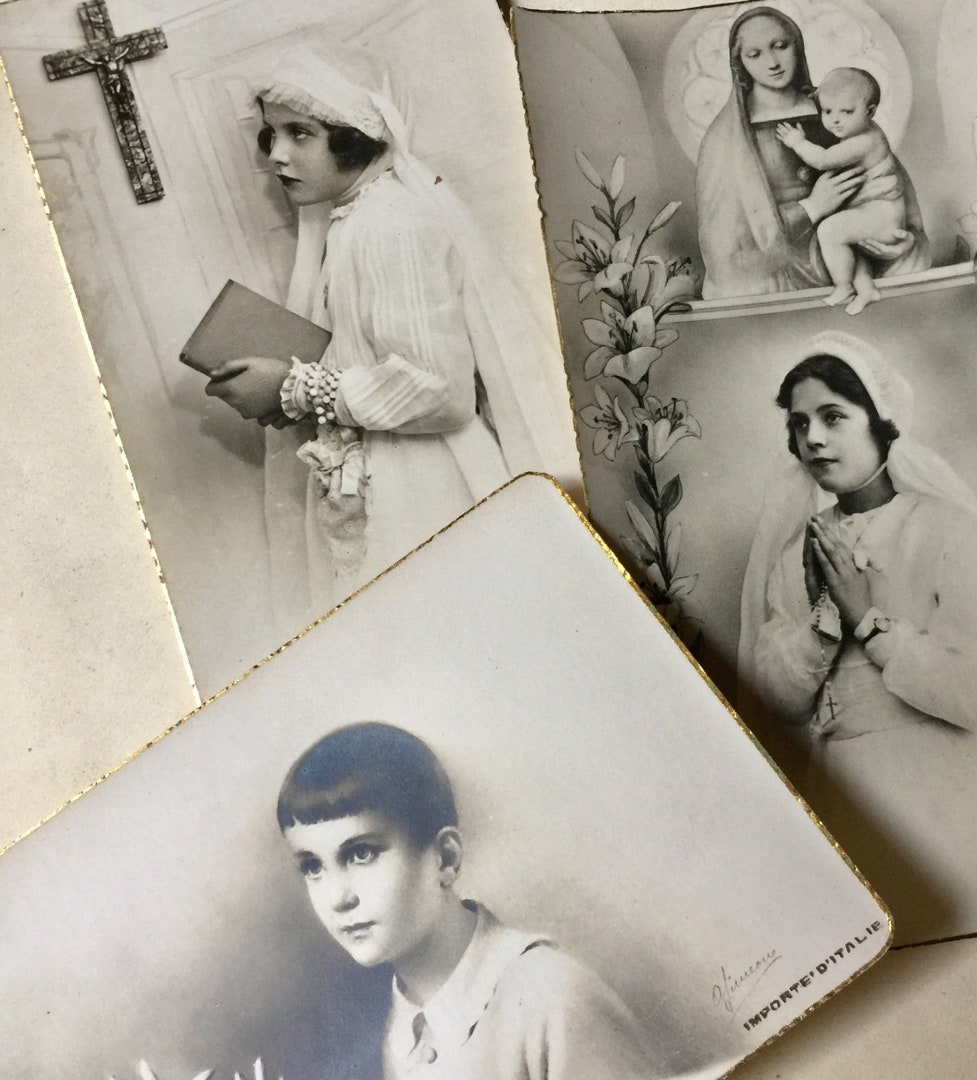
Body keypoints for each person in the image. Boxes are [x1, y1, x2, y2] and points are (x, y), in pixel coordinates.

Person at [738, 330, 977, 935]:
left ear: (879, 422)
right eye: (799, 424)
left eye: (833, 417)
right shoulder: (795, 551)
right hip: (843, 792)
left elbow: (975, 696)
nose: (812, 438)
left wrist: (869, 622)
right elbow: (781, 703)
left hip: (938, 785)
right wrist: (826, 621)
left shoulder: (944, 529)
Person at [205, 47, 560, 626]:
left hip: (427, 483)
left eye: (300, 133)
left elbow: (439, 389)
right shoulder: (352, 222)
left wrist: (297, 388)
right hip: (385, 465)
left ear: (355, 138)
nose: (277, 154)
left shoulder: (390, 225)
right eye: (271, 134)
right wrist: (283, 384)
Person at [277, 722, 659, 1079]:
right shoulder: (378, 1022)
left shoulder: (553, 995)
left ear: (444, 857)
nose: (337, 898)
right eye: (312, 866)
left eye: (362, 854)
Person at [695, 6, 930, 301]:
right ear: (739, 63)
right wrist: (811, 207)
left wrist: (897, 233)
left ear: (798, 46)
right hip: (779, 268)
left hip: (855, 243)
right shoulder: (727, 135)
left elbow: (888, 181)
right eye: (755, 54)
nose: (773, 63)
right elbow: (726, 240)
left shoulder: (837, 106)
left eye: (781, 46)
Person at [776, 68, 907, 314]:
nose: (835, 120)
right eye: (827, 111)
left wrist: (798, 143)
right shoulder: (860, 131)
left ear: (870, 111)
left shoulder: (865, 140)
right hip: (879, 214)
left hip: (882, 216)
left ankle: (843, 286)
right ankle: (867, 290)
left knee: (830, 231)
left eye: (846, 112)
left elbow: (823, 160)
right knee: (850, 249)